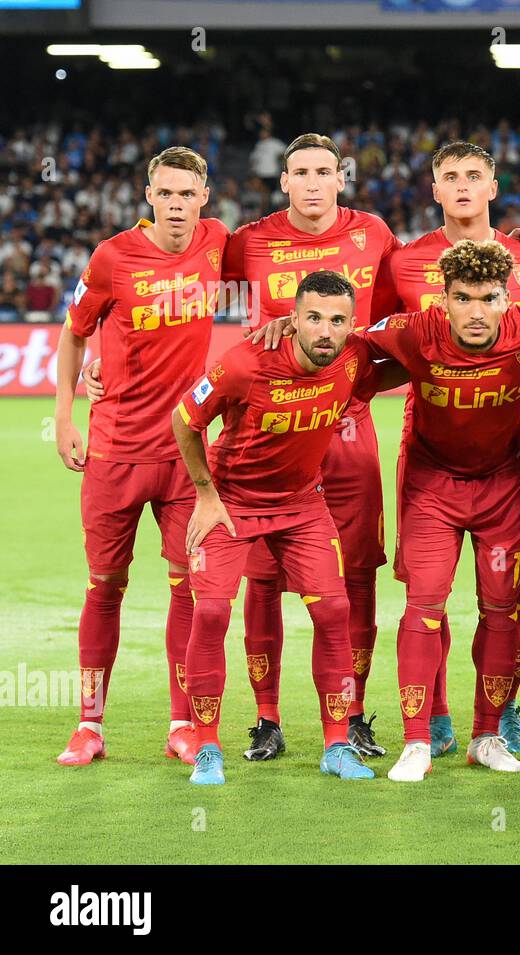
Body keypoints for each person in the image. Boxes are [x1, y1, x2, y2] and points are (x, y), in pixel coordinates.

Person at [356, 239, 520, 780]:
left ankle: (486, 735)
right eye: (463, 299)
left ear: (509, 297)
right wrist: (278, 333)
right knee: (424, 606)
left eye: (488, 298)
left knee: (502, 609)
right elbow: (341, 345)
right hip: (432, 486)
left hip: (504, 487)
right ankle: (416, 742)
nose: (476, 312)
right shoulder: (414, 330)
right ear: (443, 299)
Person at [173, 269, 404, 785]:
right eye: (314, 318)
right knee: (210, 612)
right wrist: (205, 493)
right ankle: (208, 746)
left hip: (301, 504)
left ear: (352, 325)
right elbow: (184, 419)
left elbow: (410, 360)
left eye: (338, 320)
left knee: (334, 610)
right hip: (232, 502)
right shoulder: (243, 365)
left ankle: (337, 744)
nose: (326, 331)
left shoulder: (353, 358)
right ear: (293, 319)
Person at [53, 146, 228, 768]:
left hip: (186, 454)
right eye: (166, 193)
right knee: (106, 587)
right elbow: (76, 331)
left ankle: (181, 724)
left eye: (188, 194)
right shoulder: (111, 256)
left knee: (190, 589)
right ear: (148, 195)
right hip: (116, 450)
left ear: (204, 198)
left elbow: (282, 255)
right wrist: (67, 415)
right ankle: (89, 725)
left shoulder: (218, 243)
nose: (177, 205)